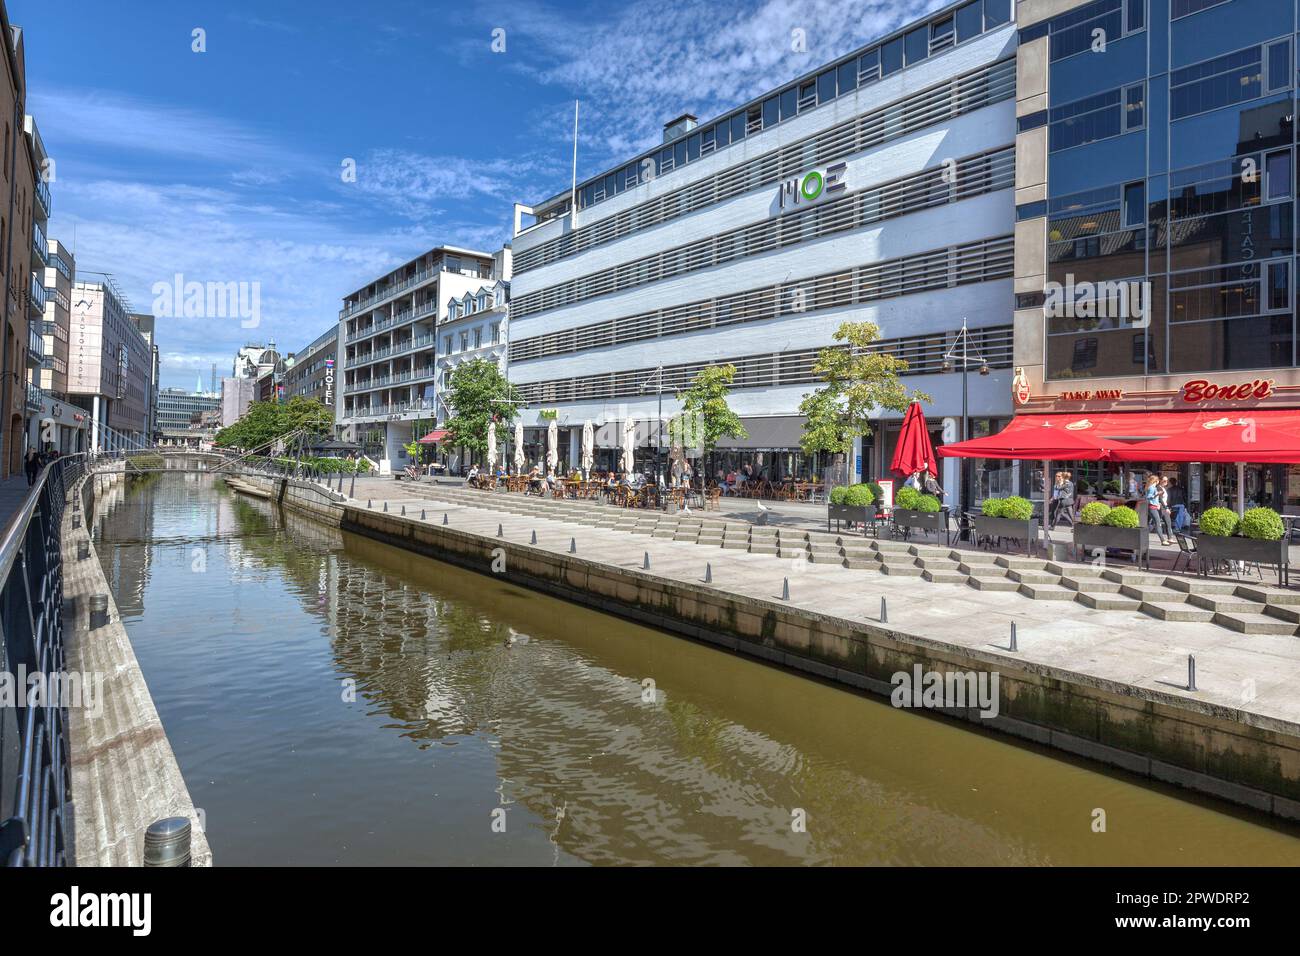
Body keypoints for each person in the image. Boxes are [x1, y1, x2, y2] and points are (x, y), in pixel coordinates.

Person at [1146, 474, 1172, 545]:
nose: (1158, 481)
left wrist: (1157, 504)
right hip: (1152, 507)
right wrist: (1157, 494)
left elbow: (1155, 499)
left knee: (1153, 523)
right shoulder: (1152, 487)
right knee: (1157, 523)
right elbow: (1148, 497)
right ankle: (1163, 540)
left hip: (1154, 507)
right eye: (1157, 480)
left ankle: (1144, 536)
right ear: (1156, 481)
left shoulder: (1153, 487)